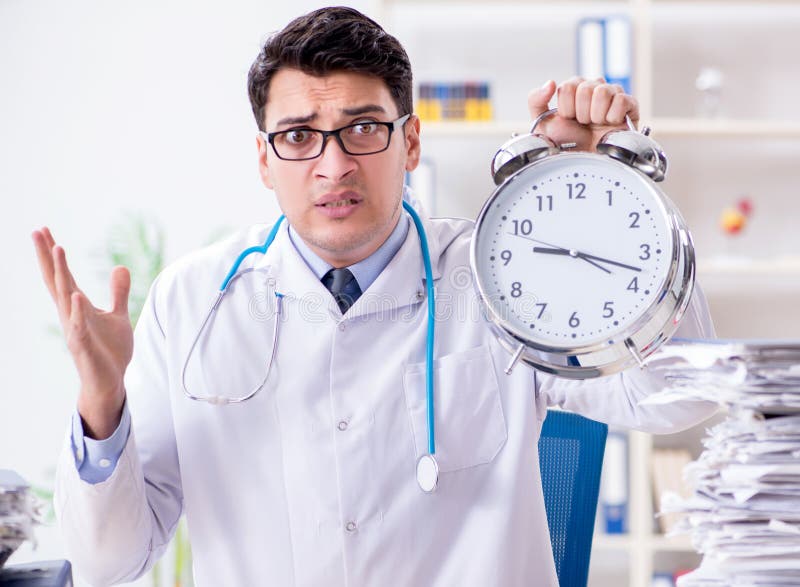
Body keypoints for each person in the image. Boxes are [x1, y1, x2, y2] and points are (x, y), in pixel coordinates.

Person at [32, 6, 716, 587]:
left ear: (410, 141)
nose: (334, 166)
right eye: (299, 136)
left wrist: (610, 194)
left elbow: (678, 394)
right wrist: (101, 400)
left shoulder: (499, 277)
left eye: (363, 128)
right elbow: (108, 560)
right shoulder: (194, 303)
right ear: (265, 160)